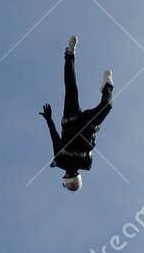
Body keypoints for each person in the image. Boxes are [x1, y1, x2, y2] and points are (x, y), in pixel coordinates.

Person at [40, 35, 113, 192]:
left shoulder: (60, 161)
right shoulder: (86, 164)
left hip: (71, 120)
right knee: (107, 106)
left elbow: (55, 138)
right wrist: (49, 120)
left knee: (71, 88)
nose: (68, 175)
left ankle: (69, 54)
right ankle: (107, 85)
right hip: (87, 123)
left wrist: (49, 119)